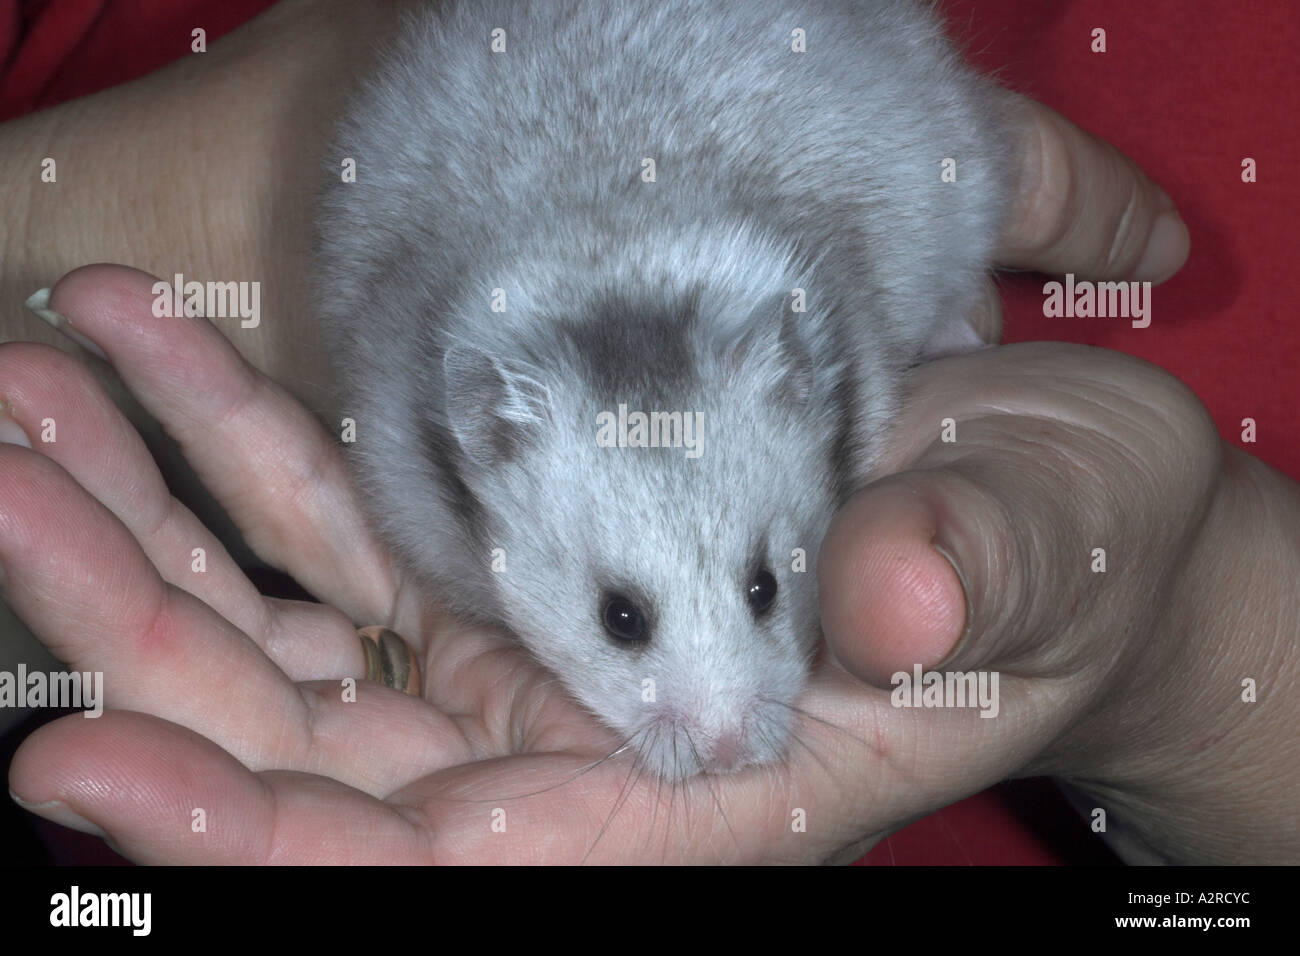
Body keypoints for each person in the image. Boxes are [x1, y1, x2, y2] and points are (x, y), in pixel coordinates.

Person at [1, 0, 1295, 864]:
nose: (731, 725)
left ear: (792, 383)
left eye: (757, 585)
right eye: (626, 618)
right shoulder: (458, 424)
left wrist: (1192, 644)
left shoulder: (795, 322)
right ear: (483, 442)